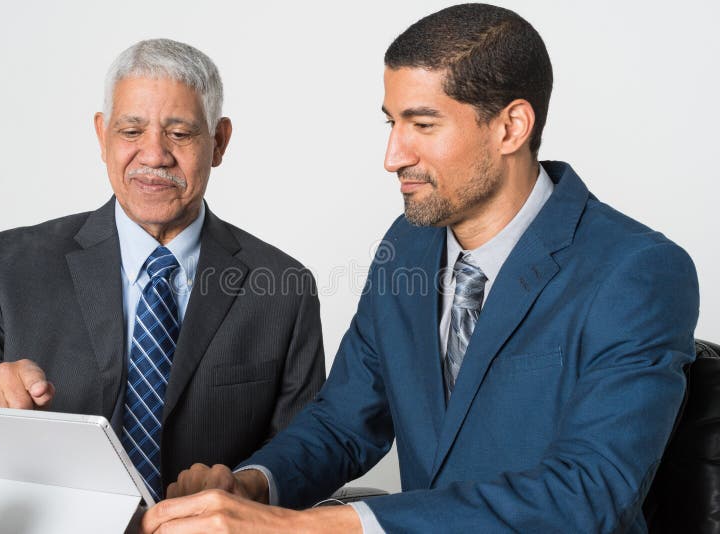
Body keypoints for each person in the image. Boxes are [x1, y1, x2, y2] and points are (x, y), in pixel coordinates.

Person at [140, 4, 700, 533]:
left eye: (423, 125)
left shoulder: (638, 272)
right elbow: (344, 422)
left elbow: (589, 494)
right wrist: (250, 488)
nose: (393, 156)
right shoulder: (407, 245)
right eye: (391, 123)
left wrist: (307, 526)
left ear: (511, 127)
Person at [0, 39, 325, 502]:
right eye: (131, 132)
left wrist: (246, 483)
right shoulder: (10, 265)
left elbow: (310, 449)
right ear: (102, 135)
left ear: (219, 141)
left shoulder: (283, 289)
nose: (153, 156)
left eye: (180, 133)